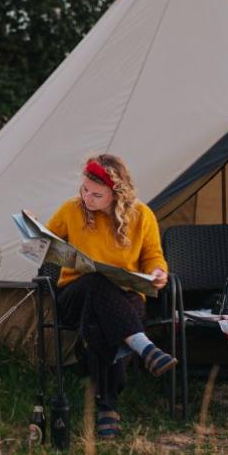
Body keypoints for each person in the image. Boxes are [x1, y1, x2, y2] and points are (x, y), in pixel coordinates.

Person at [46, 154, 175, 439]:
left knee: (103, 320)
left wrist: (157, 273)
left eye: (96, 194)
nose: (87, 198)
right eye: (84, 190)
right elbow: (45, 244)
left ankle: (106, 407)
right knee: (95, 281)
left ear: (116, 194)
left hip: (123, 297)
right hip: (75, 296)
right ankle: (143, 347)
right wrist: (35, 235)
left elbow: (153, 256)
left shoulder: (142, 216)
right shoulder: (71, 210)